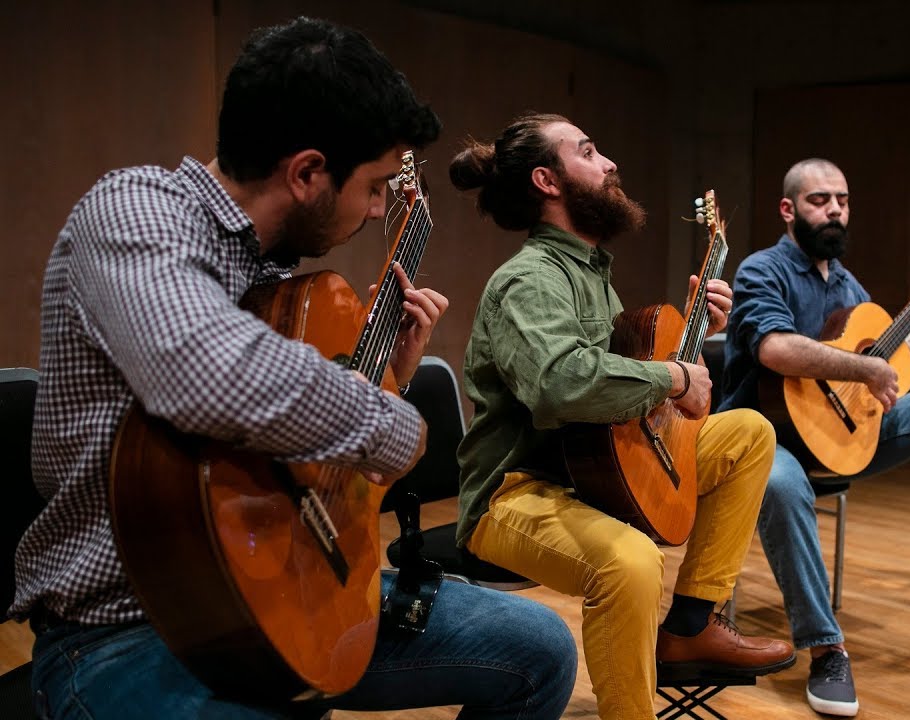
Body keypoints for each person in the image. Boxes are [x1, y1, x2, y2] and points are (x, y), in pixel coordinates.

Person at [9, 17, 575, 719]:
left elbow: (296, 461)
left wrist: (388, 378)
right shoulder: (136, 213)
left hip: (285, 583)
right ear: (307, 173)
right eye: (374, 185)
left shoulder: (274, 274)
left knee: (542, 649)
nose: (379, 208)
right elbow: (208, 374)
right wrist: (391, 419)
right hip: (127, 629)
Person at [449, 112, 795, 720]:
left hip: (589, 471)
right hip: (514, 492)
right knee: (631, 561)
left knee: (747, 432)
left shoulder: (591, 274)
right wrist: (675, 376)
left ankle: (691, 625)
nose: (609, 163)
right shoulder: (528, 280)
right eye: (587, 152)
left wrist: (692, 340)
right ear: (547, 181)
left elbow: (618, 391)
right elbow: (560, 386)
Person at [718, 158, 910, 717]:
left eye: (842, 201)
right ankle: (826, 649)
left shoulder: (849, 286)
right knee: (782, 485)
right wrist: (862, 368)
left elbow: (887, 365)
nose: (835, 210)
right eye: (820, 200)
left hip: (836, 432)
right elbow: (775, 349)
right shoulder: (761, 270)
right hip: (764, 434)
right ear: (789, 209)